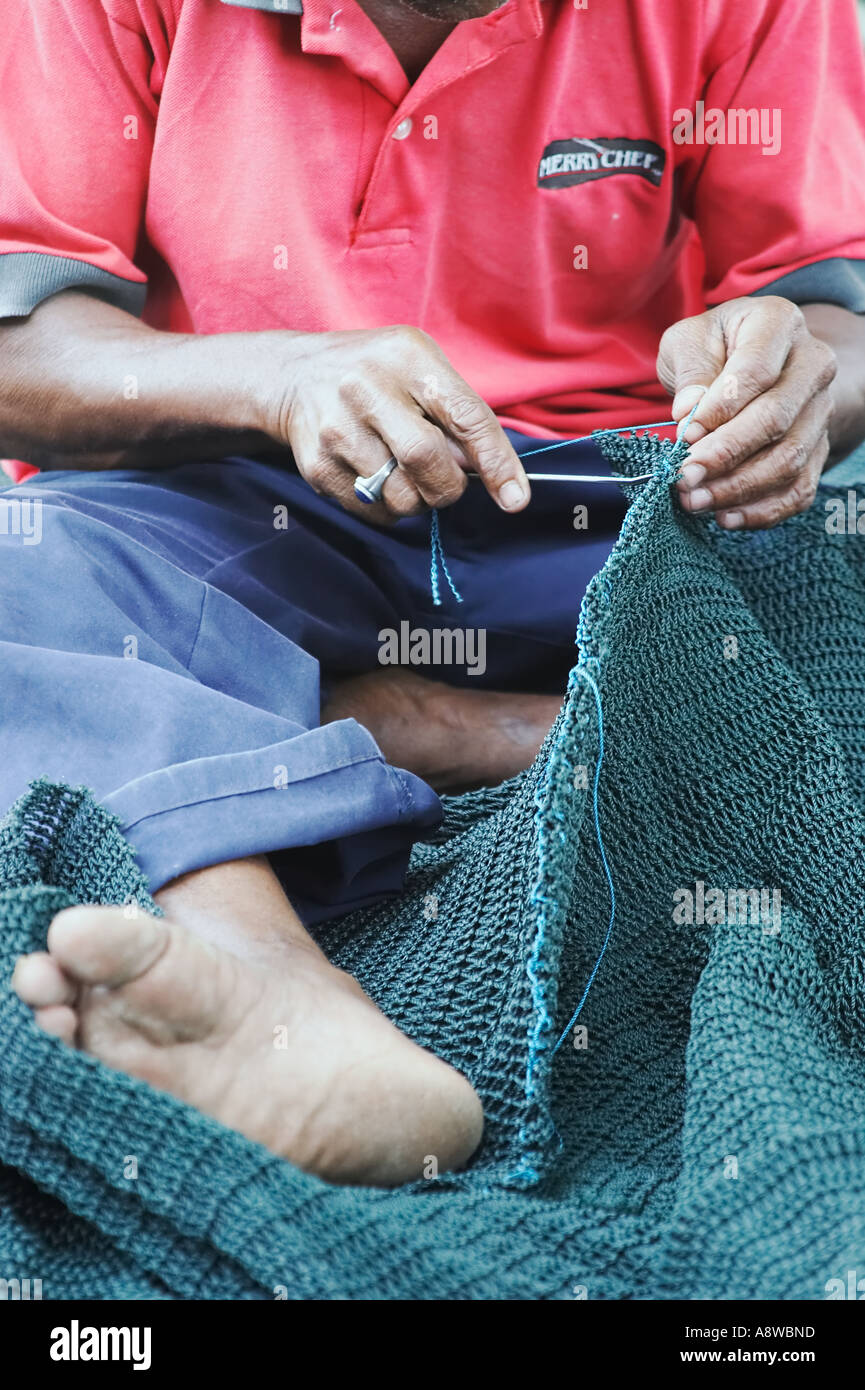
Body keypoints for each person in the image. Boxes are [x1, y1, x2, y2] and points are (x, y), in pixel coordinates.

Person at [3, 0, 865, 1184]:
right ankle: (264, 990)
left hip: (606, 506)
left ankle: (422, 720)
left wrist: (792, 377)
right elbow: (18, 343)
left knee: (830, 605)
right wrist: (279, 376)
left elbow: (836, 308)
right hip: (241, 495)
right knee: (27, 562)